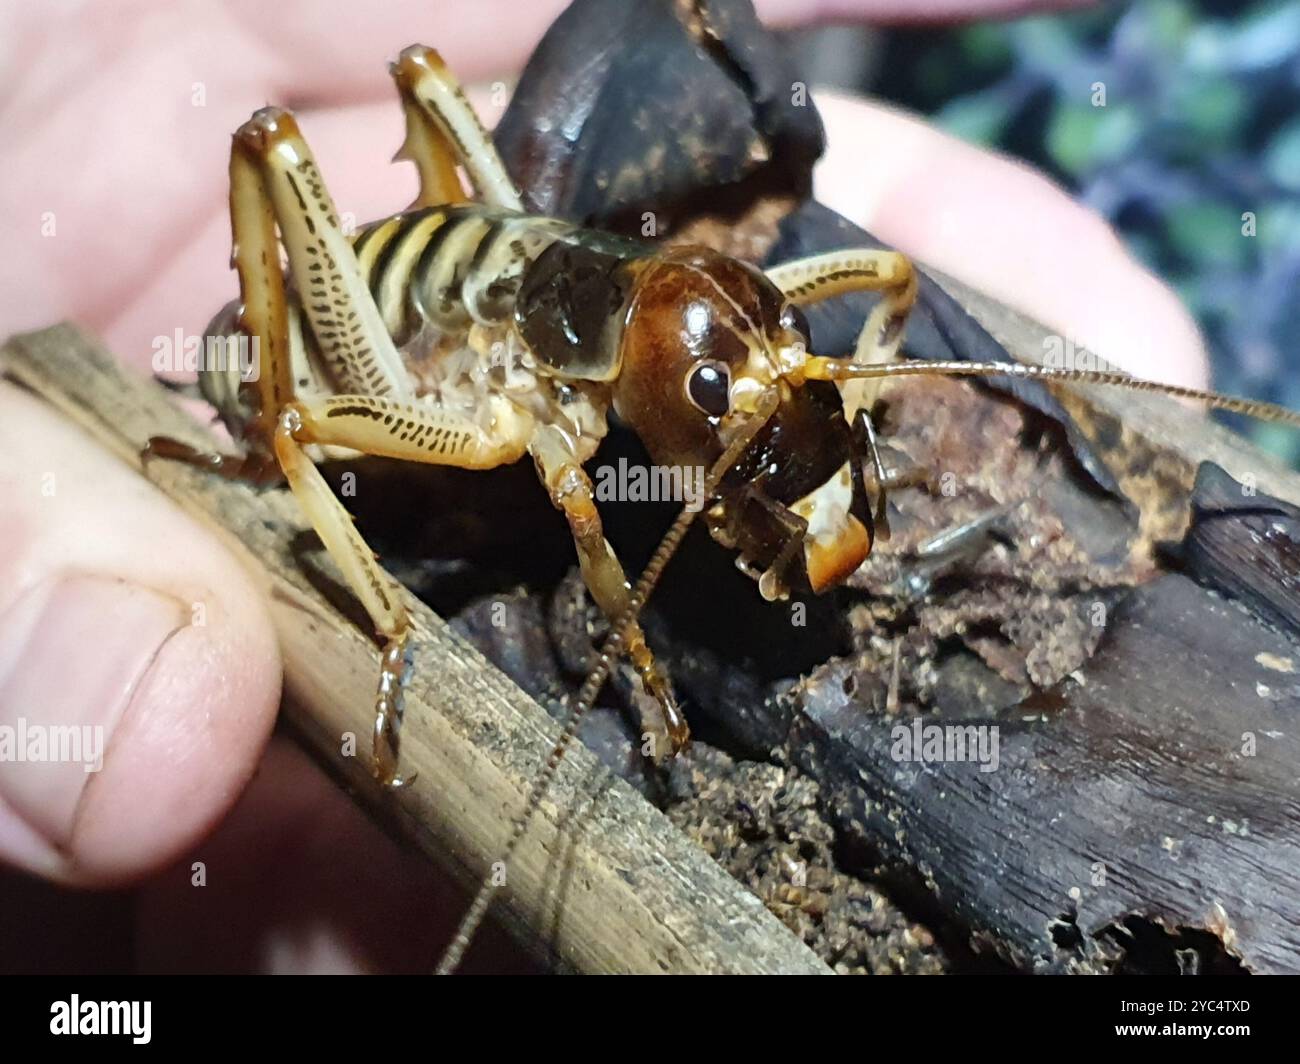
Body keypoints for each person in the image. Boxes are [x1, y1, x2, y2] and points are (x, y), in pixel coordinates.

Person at [0, 0, 1207, 972]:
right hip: (342, 342)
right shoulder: (516, 421)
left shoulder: (669, 297)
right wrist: (388, 619)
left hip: (525, 260)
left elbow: (885, 276)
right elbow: (426, 452)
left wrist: (852, 396)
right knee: (314, 339)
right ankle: (285, 466)